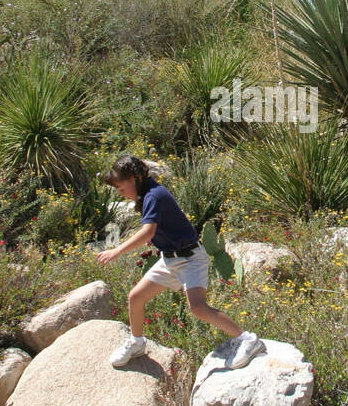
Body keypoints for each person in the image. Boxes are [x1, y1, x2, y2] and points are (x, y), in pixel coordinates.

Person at [96, 154, 264, 369]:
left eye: (121, 188)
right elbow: (163, 225)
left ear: (133, 179)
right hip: (170, 260)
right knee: (135, 297)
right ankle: (136, 342)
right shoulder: (148, 193)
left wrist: (117, 251)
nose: (121, 193)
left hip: (190, 259)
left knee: (198, 308)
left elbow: (148, 230)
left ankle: (247, 339)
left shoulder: (153, 196)